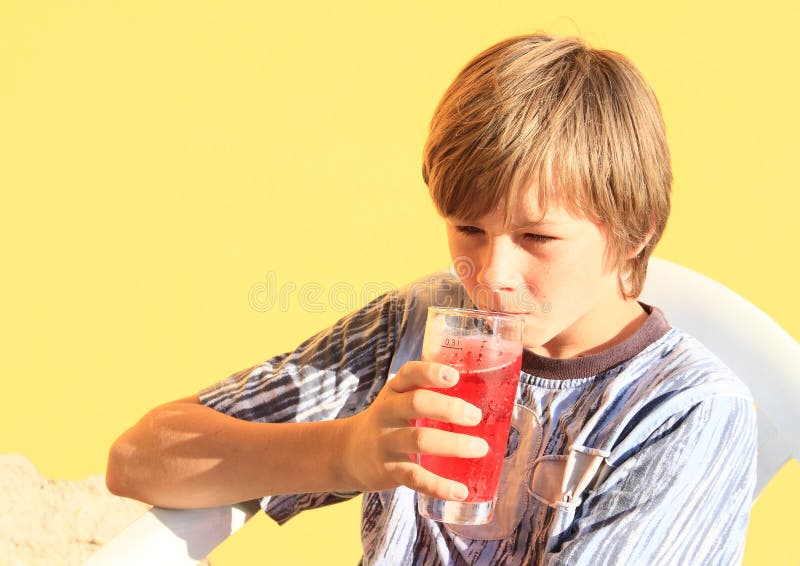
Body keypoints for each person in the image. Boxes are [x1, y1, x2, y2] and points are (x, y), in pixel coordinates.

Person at [106, 34, 757, 565]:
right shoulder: (420, 328)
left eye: (537, 237)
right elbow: (140, 459)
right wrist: (344, 451)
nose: (492, 274)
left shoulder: (689, 412)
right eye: (468, 228)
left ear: (635, 231)